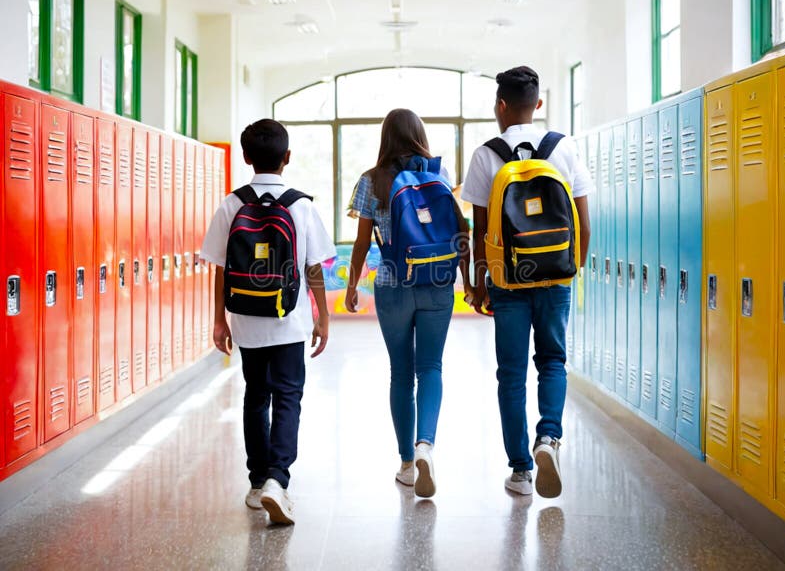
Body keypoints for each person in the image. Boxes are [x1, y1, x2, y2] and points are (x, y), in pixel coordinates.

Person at [461, 67, 591, 498]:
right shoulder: (563, 148)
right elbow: (582, 222)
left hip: (509, 282)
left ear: (500, 105)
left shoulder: (486, 155)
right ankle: (548, 438)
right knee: (552, 361)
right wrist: (572, 272)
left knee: (511, 374)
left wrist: (481, 285)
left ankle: (520, 470)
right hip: (556, 276)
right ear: (537, 105)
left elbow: (481, 232)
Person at [200, 119, 336, 524]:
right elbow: (314, 268)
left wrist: (219, 320)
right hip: (289, 318)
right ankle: (279, 478)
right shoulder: (301, 205)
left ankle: (258, 483)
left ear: (245, 157)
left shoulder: (232, 203)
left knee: (255, 396)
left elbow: (221, 268)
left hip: (246, 318)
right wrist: (321, 316)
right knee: (288, 396)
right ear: (287, 157)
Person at [344, 108, 471, 498]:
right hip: (436, 283)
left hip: (392, 283)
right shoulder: (439, 175)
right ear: (419, 135)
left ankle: (405, 463)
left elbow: (363, 242)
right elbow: (455, 231)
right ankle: (425, 447)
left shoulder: (371, 181)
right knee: (430, 367)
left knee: (401, 372)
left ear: (385, 137)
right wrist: (469, 282)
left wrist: (352, 285)